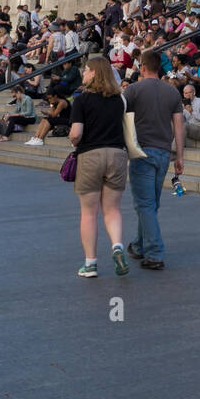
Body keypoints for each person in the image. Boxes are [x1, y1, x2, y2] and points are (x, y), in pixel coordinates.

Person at [68, 55, 130, 280]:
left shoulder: (82, 100)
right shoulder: (119, 100)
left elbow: (76, 133)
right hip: (117, 154)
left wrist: (72, 141)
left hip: (91, 155)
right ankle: (117, 247)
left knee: (89, 213)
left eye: (85, 70)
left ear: (94, 73)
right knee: (112, 209)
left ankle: (91, 263)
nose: (83, 73)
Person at [123, 49, 185, 270]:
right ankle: (139, 246)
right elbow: (179, 125)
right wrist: (179, 155)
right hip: (162, 153)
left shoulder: (133, 90)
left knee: (145, 204)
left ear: (142, 67)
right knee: (151, 204)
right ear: (159, 67)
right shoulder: (172, 93)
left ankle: (155, 252)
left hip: (141, 152)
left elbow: (119, 115)